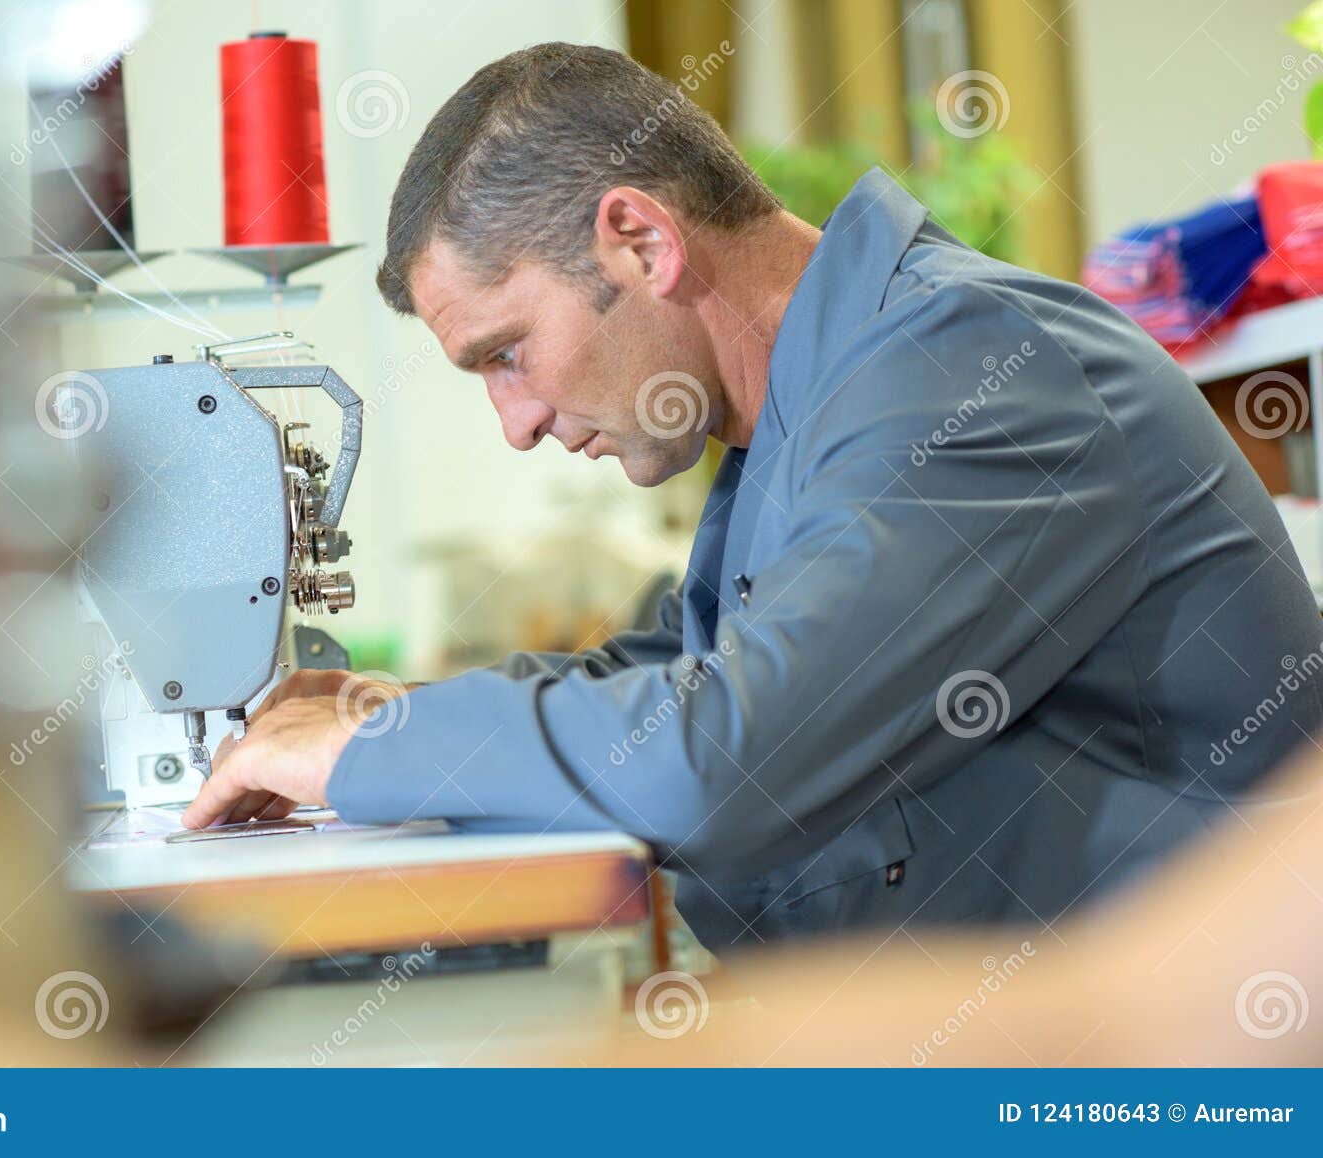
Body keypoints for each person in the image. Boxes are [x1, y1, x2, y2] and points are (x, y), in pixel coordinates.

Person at [183, 43, 1323, 953]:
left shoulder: (973, 367)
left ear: (639, 241)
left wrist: (379, 745)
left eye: (505, 355)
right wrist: (388, 705)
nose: (516, 421)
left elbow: (728, 756)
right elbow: (684, 674)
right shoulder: (810, 409)